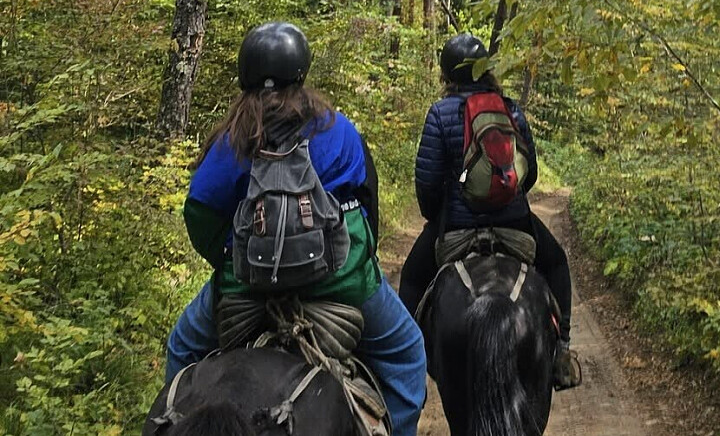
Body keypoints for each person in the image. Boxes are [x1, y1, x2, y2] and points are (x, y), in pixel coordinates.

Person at [164, 21, 426, 436]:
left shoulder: (232, 138)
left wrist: (231, 257)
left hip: (246, 292)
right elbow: (366, 206)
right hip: (341, 287)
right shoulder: (337, 129)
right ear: (302, 71)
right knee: (407, 352)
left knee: (182, 347)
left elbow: (199, 209)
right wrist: (353, 258)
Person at [398, 32, 581, 389]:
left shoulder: (439, 113)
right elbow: (531, 174)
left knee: (411, 278)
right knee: (557, 262)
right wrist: (508, 201)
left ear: (446, 74)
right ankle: (562, 350)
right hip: (515, 225)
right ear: (485, 70)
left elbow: (428, 183)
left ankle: (407, 366)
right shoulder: (508, 108)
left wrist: (437, 216)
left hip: (455, 232)